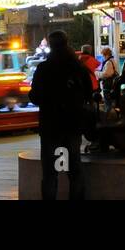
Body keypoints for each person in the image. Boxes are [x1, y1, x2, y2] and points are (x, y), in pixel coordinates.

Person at [28, 30, 94, 200]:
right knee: (74, 168)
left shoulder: (44, 68)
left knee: (51, 171)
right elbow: (89, 92)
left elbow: (35, 97)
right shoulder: (78, 67)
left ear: (50, 45)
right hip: (72, 124)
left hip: (51, 125)